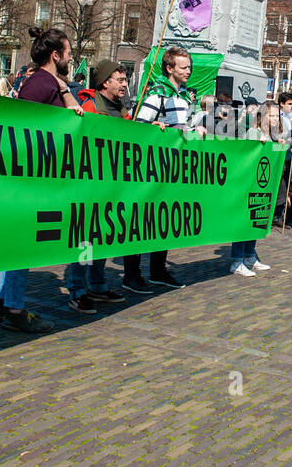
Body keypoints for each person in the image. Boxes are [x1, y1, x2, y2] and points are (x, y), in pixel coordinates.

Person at [0, 27, 84, 328]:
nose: (71, 59)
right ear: (55, 55)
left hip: (39, 178)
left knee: (19, 243)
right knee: (22, 244)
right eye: (68, 54)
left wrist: (63, 89)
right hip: (31, 179)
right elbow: (22, 124)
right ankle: (14, 310)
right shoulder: (39, 83)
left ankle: (7, 304)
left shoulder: (51, 82)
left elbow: (74, 113)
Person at [128, 46, 203, 289]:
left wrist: (196, 129)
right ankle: (132, 274)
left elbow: (184, 127)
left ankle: (158, 270)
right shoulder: (157, 93)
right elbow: (139, 125)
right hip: (152, 168)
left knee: (163, 220)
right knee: (142, 220)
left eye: (189, 67)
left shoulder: (184, 96)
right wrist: (157, 127)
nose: (189, 71)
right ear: (169, 68)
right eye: (184, 67)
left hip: (172, 168)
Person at [77, 60, 130, 303]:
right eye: (120, 80)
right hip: (90, 187)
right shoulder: (88, 106)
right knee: (84, 240)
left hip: (111, 187)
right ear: (105, 82)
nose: (125, 84)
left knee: (102, 237)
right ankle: (78, 288)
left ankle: (97, 285)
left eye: (125, 79)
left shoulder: (121, 111)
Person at [230, 105, 275, 275]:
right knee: (244, 221)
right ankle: (237, 260)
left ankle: (249, 255)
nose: (276, 119)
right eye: (272, 116)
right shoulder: (253, 133)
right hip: (248, 185)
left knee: (256, 219)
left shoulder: (270, 135)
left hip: (260, 186)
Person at [272, 91, 292, 226]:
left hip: (288, 155)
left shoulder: (291, 117)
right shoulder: (276, 116)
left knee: (286, 187)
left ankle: (279, 215)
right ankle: (273, 215)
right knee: (278, 185)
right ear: (281, 104)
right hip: (277, 155)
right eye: (289, 104)